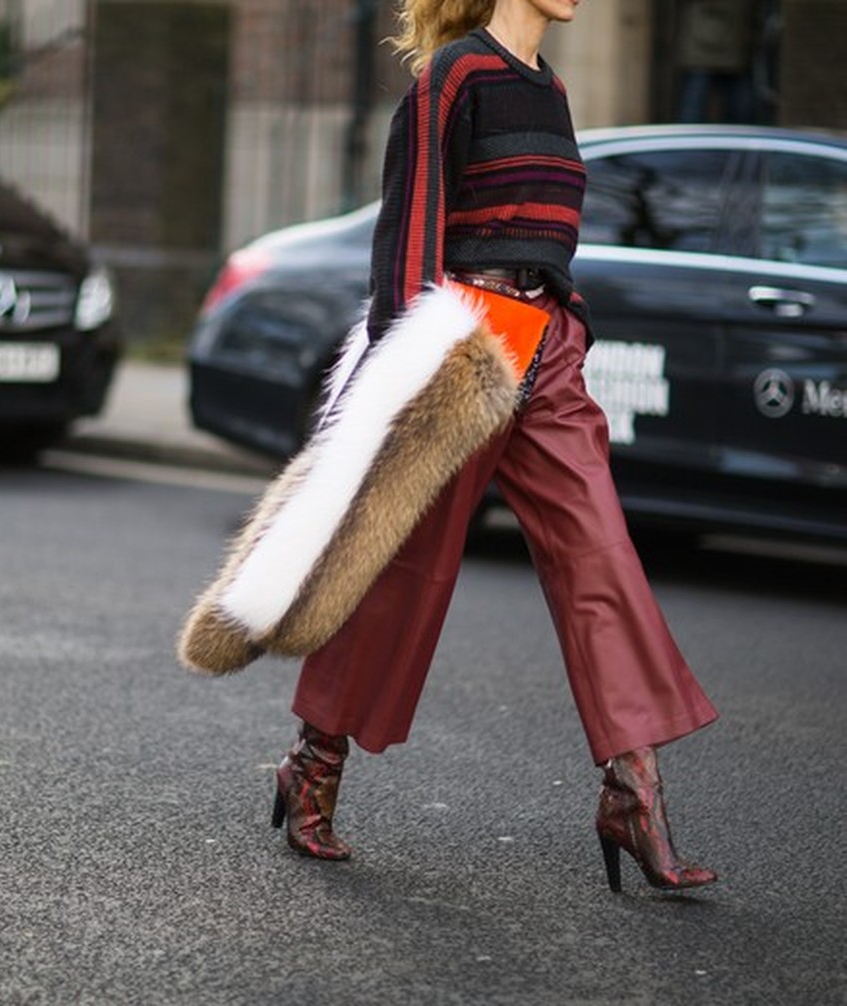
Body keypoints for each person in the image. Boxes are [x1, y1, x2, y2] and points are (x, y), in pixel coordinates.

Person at [269, 0, 720, 892]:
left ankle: (634, 792)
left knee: (601, 557)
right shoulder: (451, 77)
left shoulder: (550, 90)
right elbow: (407, 232)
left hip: (546, 348)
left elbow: (546, 230)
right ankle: (313, 767)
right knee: (406, 566)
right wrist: (409, 368)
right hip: (464, 344)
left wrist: (567, 321)